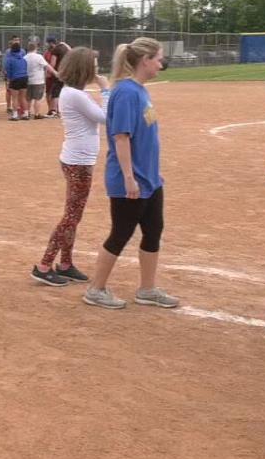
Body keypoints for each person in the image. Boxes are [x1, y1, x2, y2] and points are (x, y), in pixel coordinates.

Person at [80, 37, 178, 311]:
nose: (161, 63)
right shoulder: (126, 92)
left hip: (149, 178)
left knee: (153, 230)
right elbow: (121, 137)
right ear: (145, 60)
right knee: (121, 233)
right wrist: (129, 178)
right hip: (129, 179)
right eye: (158, 58)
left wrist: (152, 174)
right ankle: (96, 289)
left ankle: (147, 289)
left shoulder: (140, 90)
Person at [32, 47, 109, 286]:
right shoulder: (75, 95)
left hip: (77, 159)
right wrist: (106, 89)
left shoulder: (73, 92)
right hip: (79, 162)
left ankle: (65, 264)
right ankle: (44, 265)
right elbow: (106, 118)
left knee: (74, 216)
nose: (97, 69)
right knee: (71, 217)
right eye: (93, 65)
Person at [24, 43, 57, 119]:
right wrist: (55, 73)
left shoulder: (25, 57)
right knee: (38, 98)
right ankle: (37, 114)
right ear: (35, 48)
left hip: (28, 80)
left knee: (28, 98)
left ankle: (28, 112)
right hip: (38, 80)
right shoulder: (38, 57)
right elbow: (47, 66)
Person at [3, 36, 29, 120]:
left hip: (15, 78)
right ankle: (25, 114)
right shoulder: (23, 59)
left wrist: (9, 79)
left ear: (11, 50)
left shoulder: (9, 59)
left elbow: (8, 70)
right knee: (23, 97)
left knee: (14, 97)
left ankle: (15, 115)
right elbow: (25, 68)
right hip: (24, 78)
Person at [45, 36, 70, 117]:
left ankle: (54, 111)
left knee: (55, 92)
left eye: (48, 43)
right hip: (66, 71)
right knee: (61, 91)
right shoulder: (64, 48)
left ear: (51, 43)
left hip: (58, 73)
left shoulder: (55, 50)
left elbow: (53, 63)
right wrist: (65, 44)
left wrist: (49, 72)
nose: (48, 45)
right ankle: (59, 111)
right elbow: (72, 51)